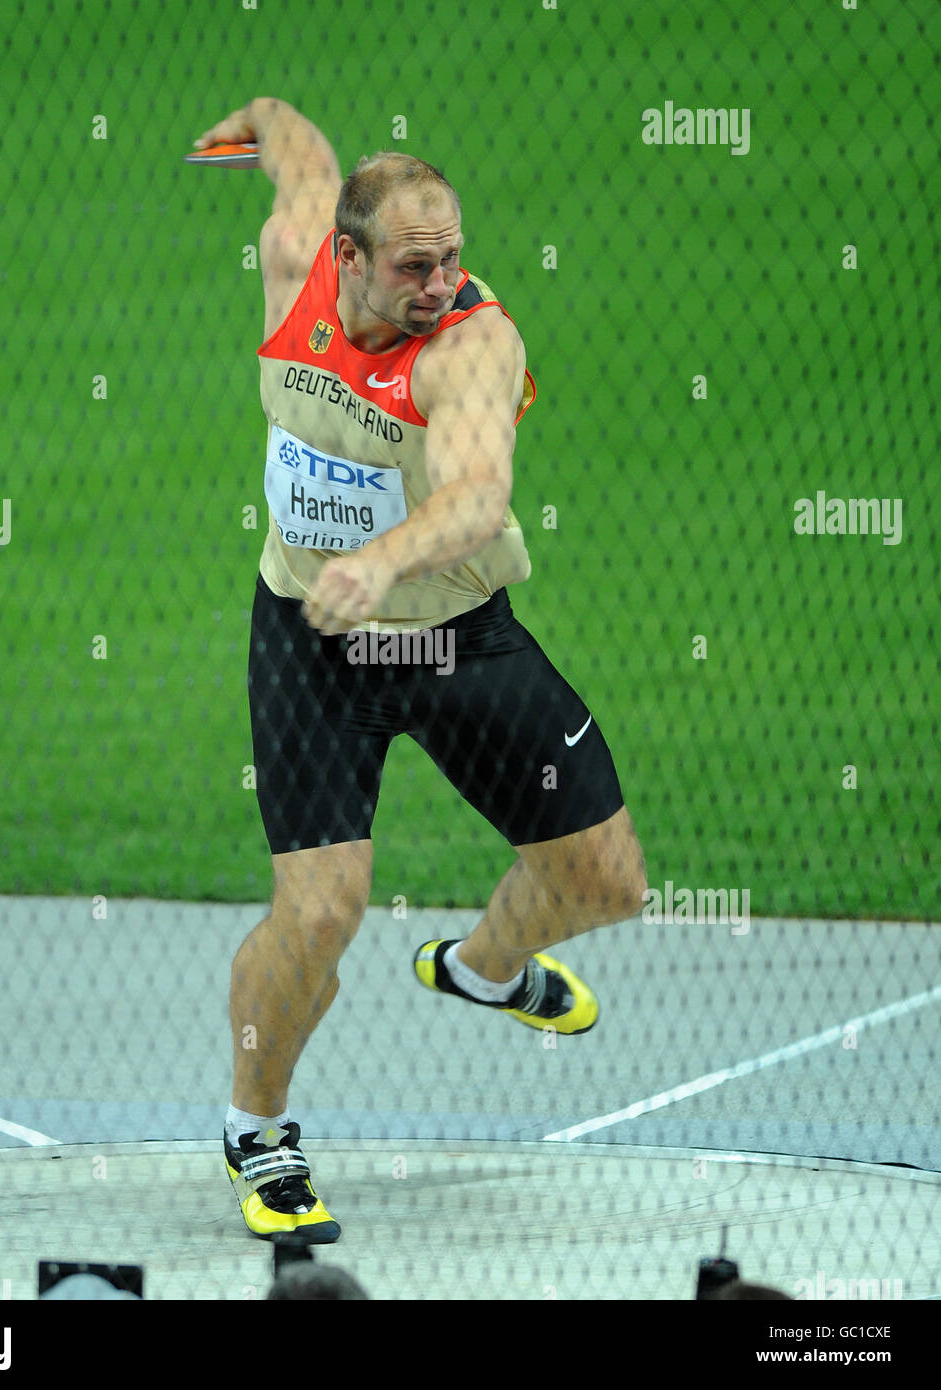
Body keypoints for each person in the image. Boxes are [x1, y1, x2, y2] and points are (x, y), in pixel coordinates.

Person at [193, 99, 648, 1243]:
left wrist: (379, 562)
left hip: (450, 635)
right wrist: (254, 124)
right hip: (313, 641)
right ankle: (258, 1130)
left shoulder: (472, 344)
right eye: (413, 265)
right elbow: (296, 148)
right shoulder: (294, 255)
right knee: (320, 910)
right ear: (345, 256)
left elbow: (477, 497)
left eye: (451, 258)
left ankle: (485, 969)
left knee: (606, 880)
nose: (441, 282)